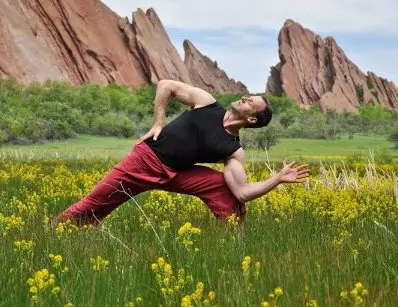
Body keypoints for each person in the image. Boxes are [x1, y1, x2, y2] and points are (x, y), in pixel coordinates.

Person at [52, 80, 309, 225]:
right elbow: (166, 86)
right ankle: (54, 233)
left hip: (176, 173)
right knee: (92, 207)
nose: (245, 97)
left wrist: (276, 179)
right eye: (248, 96)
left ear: (252, 120)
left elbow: (242, 191)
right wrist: (158, 122)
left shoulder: (233, 151)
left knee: (228, 193)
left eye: (250, 101)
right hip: (144, 160)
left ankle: (230, 245)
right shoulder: (206, 102)